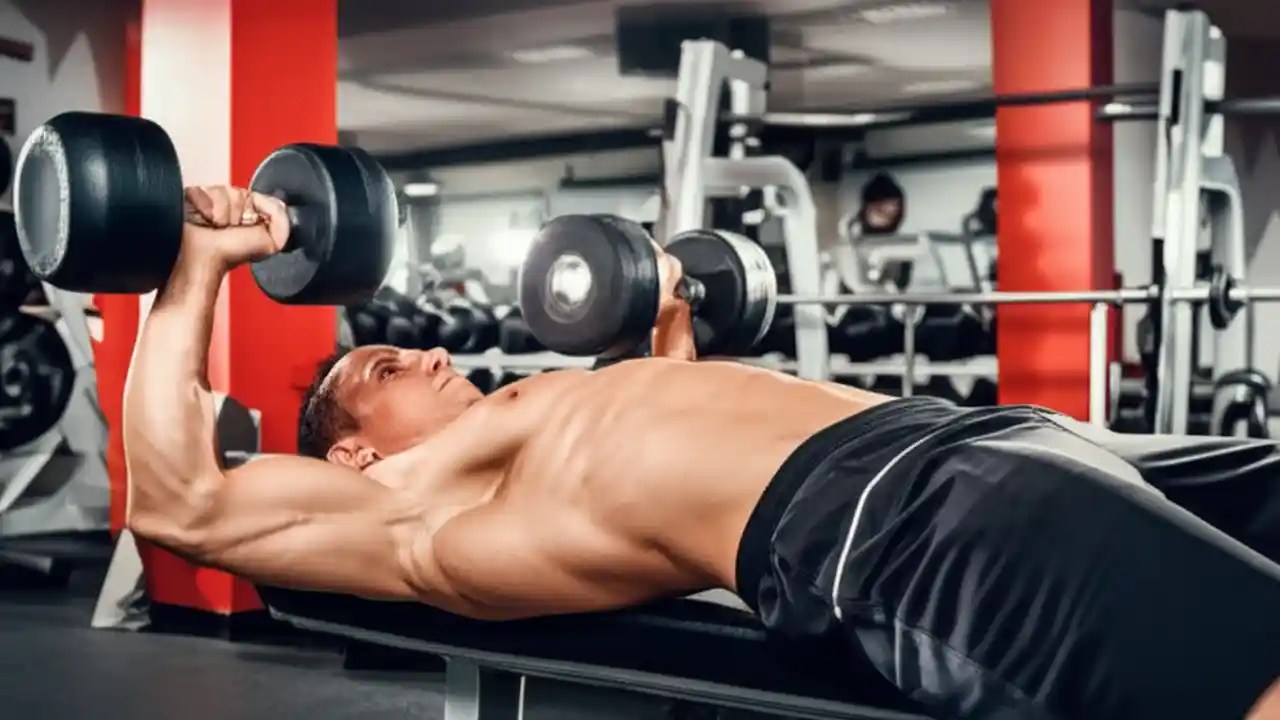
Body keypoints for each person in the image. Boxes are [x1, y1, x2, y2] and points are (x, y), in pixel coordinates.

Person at [125, 186, 1280, 720]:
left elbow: (672, 404)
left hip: (1005, 440)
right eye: (379, 375)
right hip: (905, 519)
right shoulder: (418, 512)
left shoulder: (559, 404)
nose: (423, 359)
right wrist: (197, 264)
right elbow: (181, 505)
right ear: (355, 463)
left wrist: (671, 302)